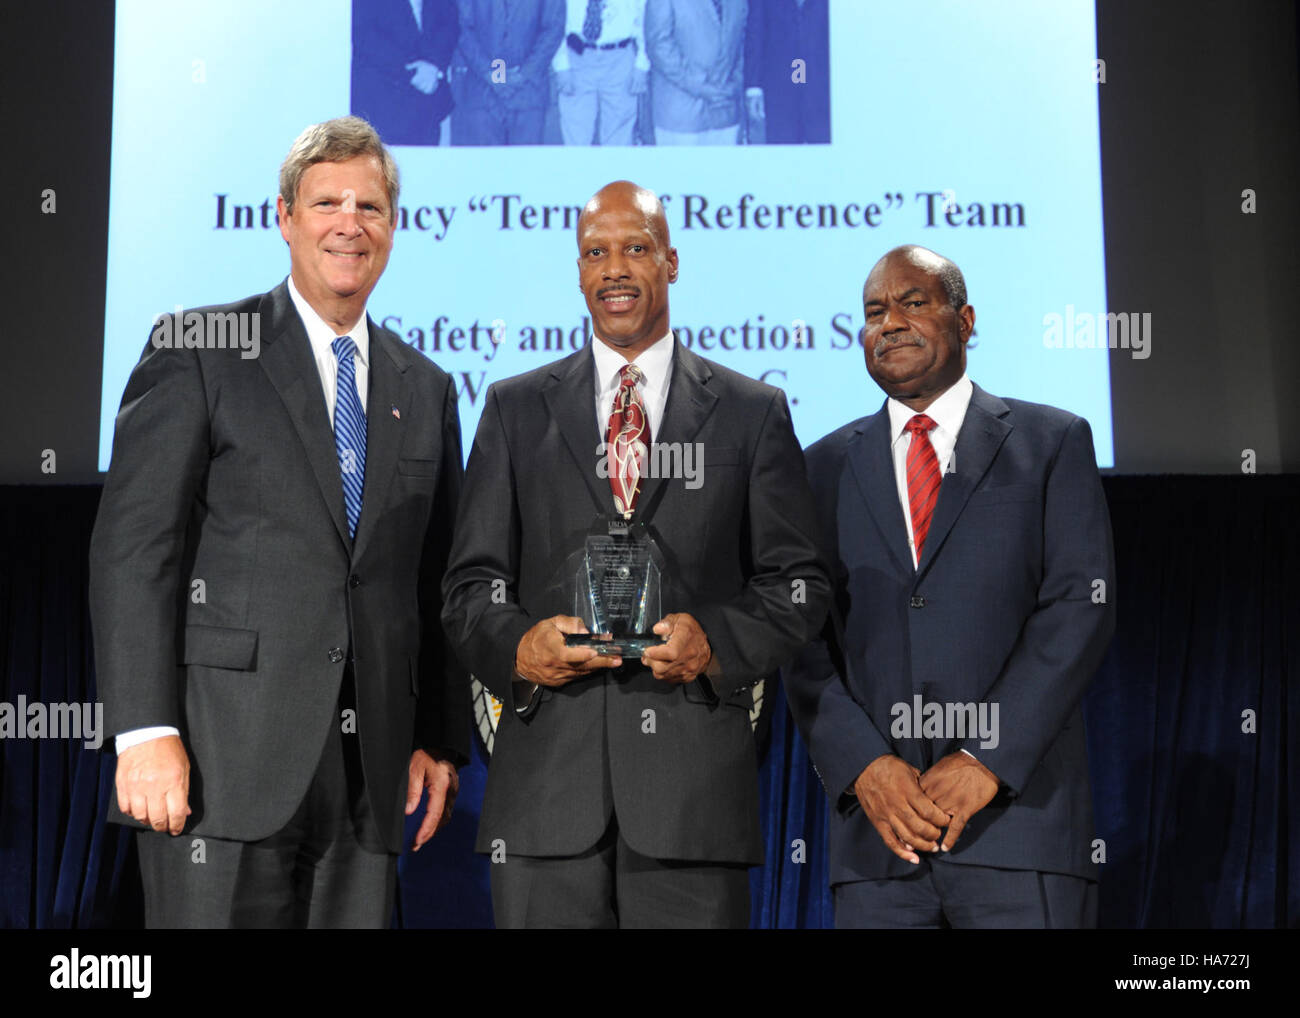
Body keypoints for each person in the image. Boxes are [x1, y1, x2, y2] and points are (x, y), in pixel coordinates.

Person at [89, 116, 469, 928]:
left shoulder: (427, 386)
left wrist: (436, 737)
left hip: (369, 786)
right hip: (219, 764)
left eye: (369, 206)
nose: (349, 223)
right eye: (326, 201)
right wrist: (143, 730)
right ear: (284, 217)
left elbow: (433, 580)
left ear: (392, 228)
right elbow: (134, 551)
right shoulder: (200, 348)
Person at [441, 180, 829, 928]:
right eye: (595, 252)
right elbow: (469, 586)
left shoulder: (751, 413)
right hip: (547, 798)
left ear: (672, 262)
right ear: (579, 271)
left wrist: (713, 641)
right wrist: (519, 645)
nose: (614, 268)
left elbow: (798, 585)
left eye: (636, 248)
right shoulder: (513, 409)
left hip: (691, 805)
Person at [784, 245, 1116, 928]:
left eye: (913, 302)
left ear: (965, 320)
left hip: (1019, 832)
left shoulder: (1050, 442)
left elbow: (1077, 611)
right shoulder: (819, 468)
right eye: (874, 311)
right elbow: (801, 639)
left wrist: (984, 759)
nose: (890, 322)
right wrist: (867, 768)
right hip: (881, 845)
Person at [451, 0, 564, 146]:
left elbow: (553, 28)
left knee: (527, 166)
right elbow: (461, 27)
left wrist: (523, 74)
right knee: (484, 167)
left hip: (528, 94)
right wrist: (490, 73)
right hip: (482, 93)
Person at [352, 0, 460, 146]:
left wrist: (434, 65)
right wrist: (414, 71)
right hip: (381, 103)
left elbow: (449, 24)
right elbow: (364, 35)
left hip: (427, 104)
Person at [645, 0, 746, 145]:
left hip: (726, 111)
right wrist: (700, 86)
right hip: (681, 116)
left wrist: (735, 84)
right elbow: (658, 47)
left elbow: (743, 43)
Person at [553, 0, 649, 146]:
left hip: (620, 58)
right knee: (576, 133)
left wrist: (642, 64)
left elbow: (645, 20)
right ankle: (577, 168)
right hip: (577, 59)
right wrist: (561, 65)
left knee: (619, 135)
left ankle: (613, 168)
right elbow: (554, 20)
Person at [743, 0, 830, 144]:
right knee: (783, 156)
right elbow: (755, 29)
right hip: (779, 90)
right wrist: (753, 87)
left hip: (824, 89)